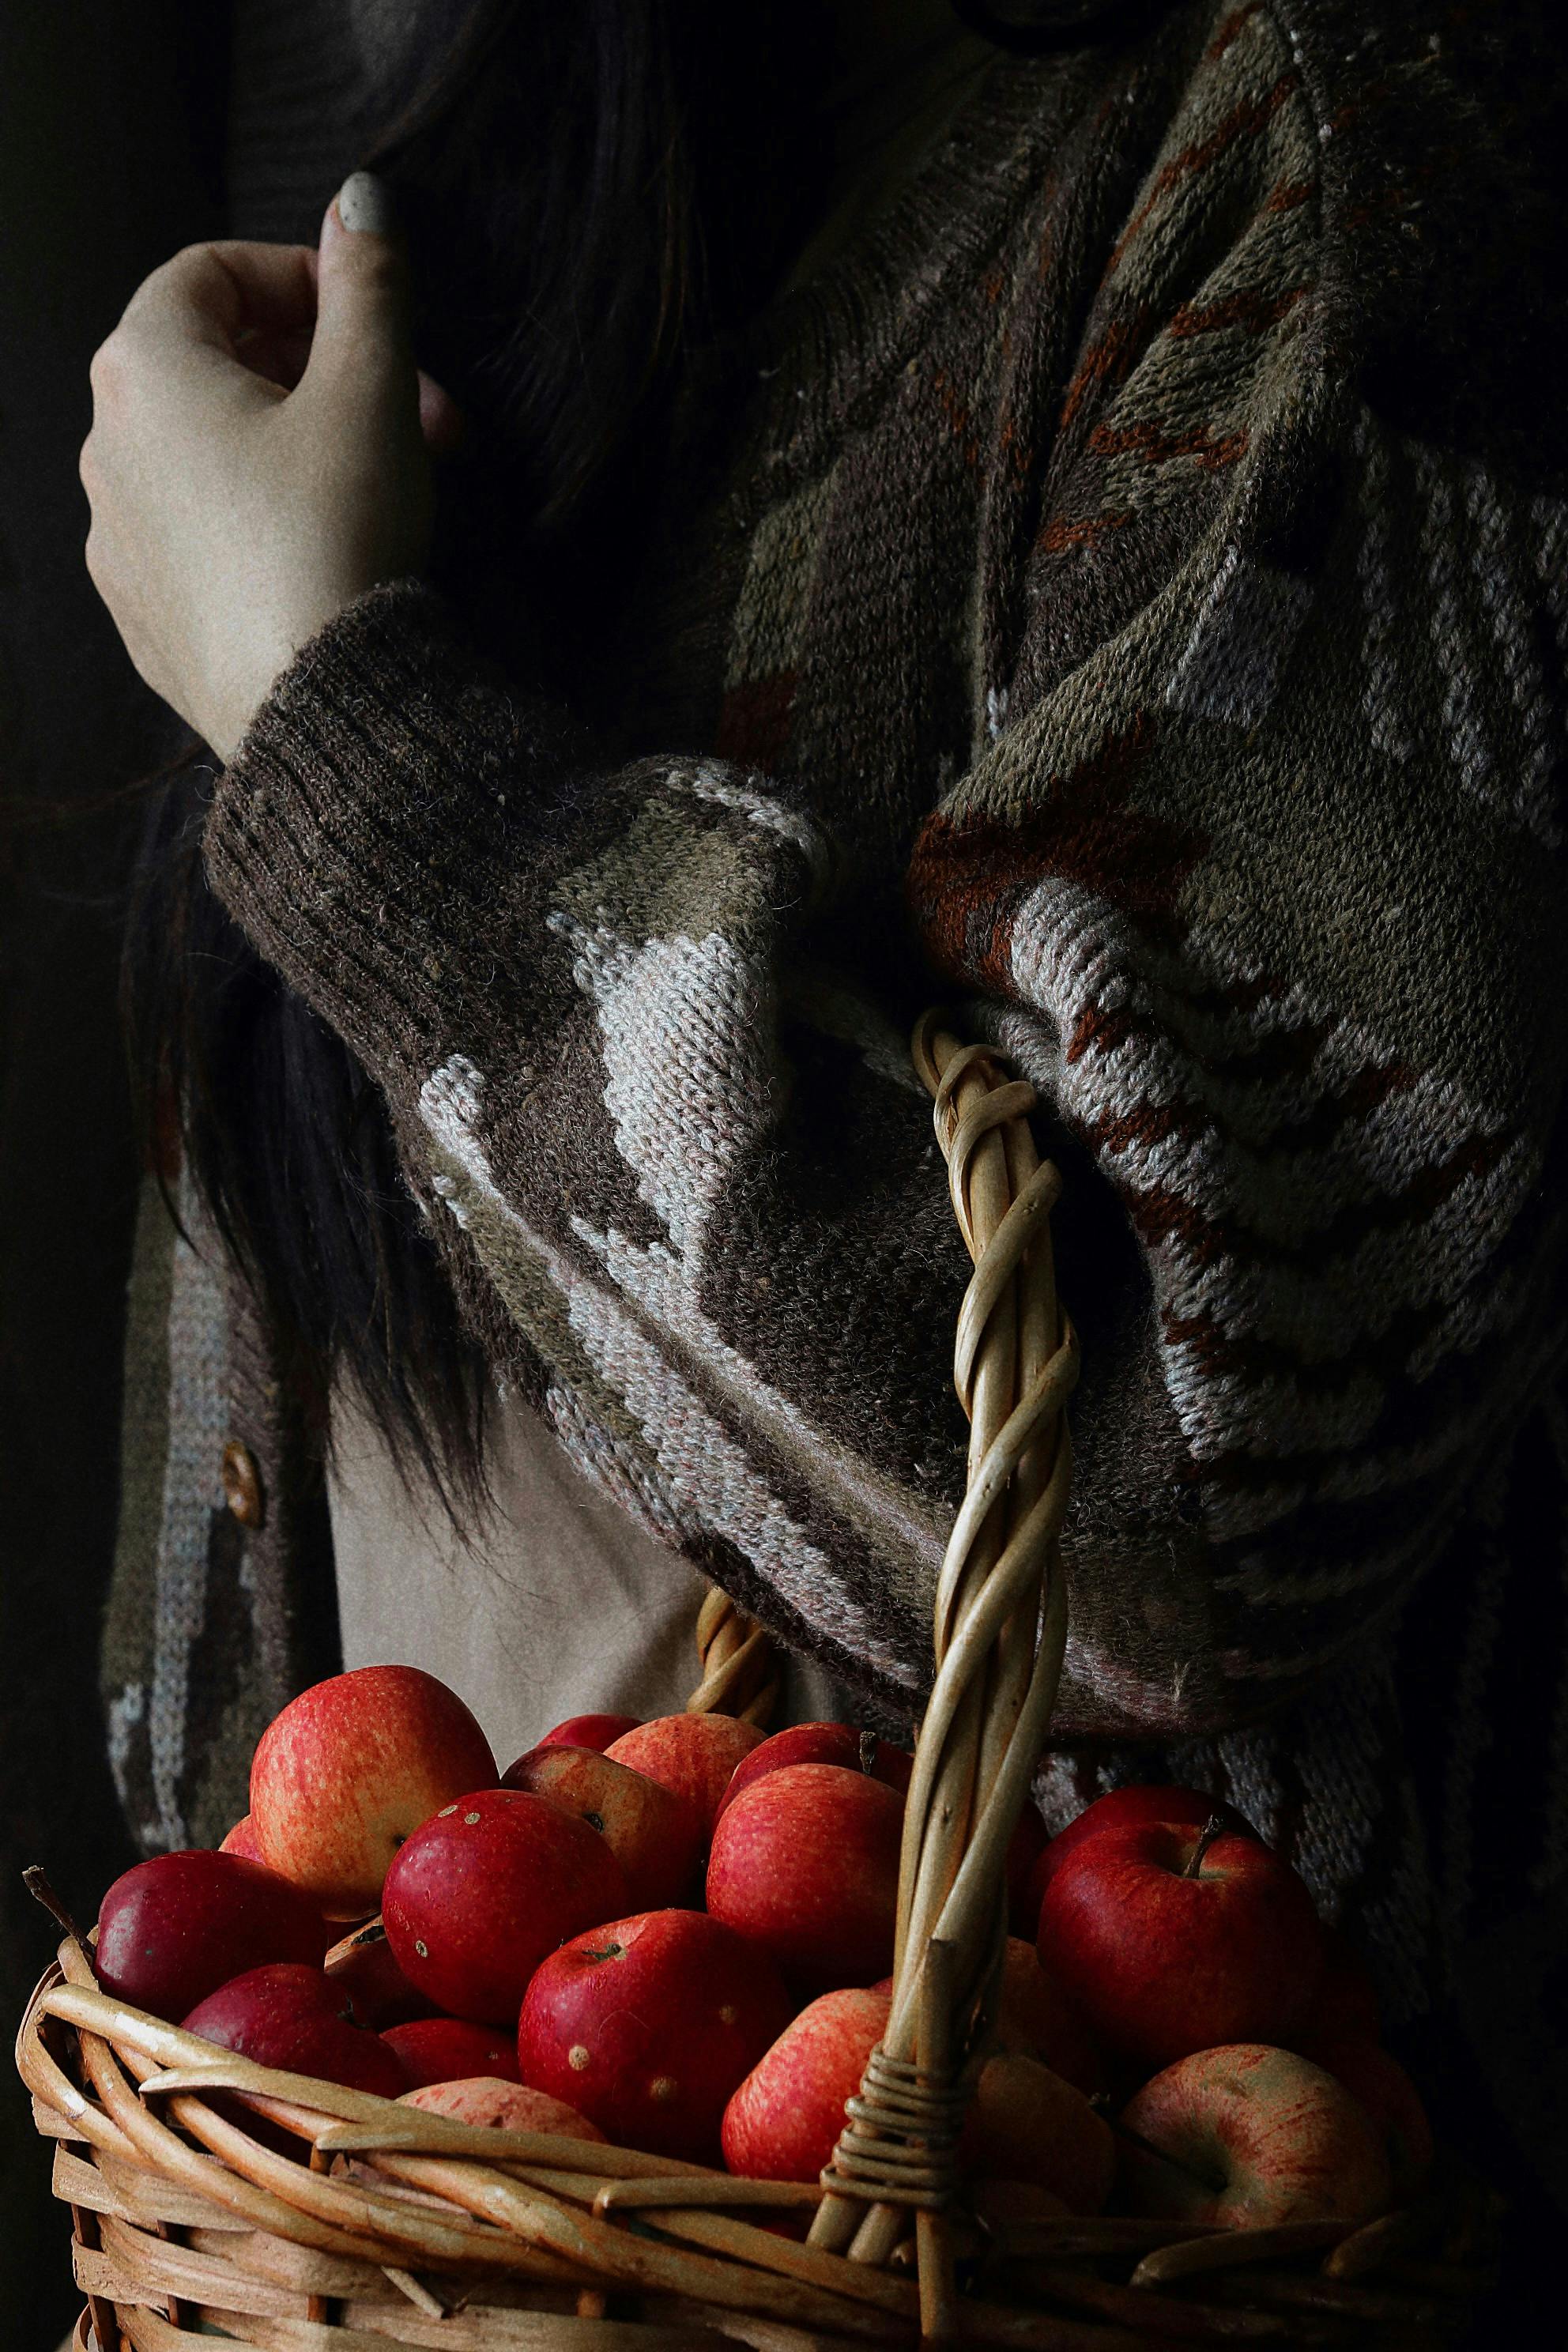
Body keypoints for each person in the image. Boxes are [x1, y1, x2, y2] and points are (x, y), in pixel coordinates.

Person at [83, 0, 1566, 2265]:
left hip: (955, 2243)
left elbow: (1183, 1477)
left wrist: (340, 734)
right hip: (324, 2203)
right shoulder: (494, 154)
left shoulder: (1332, 168)